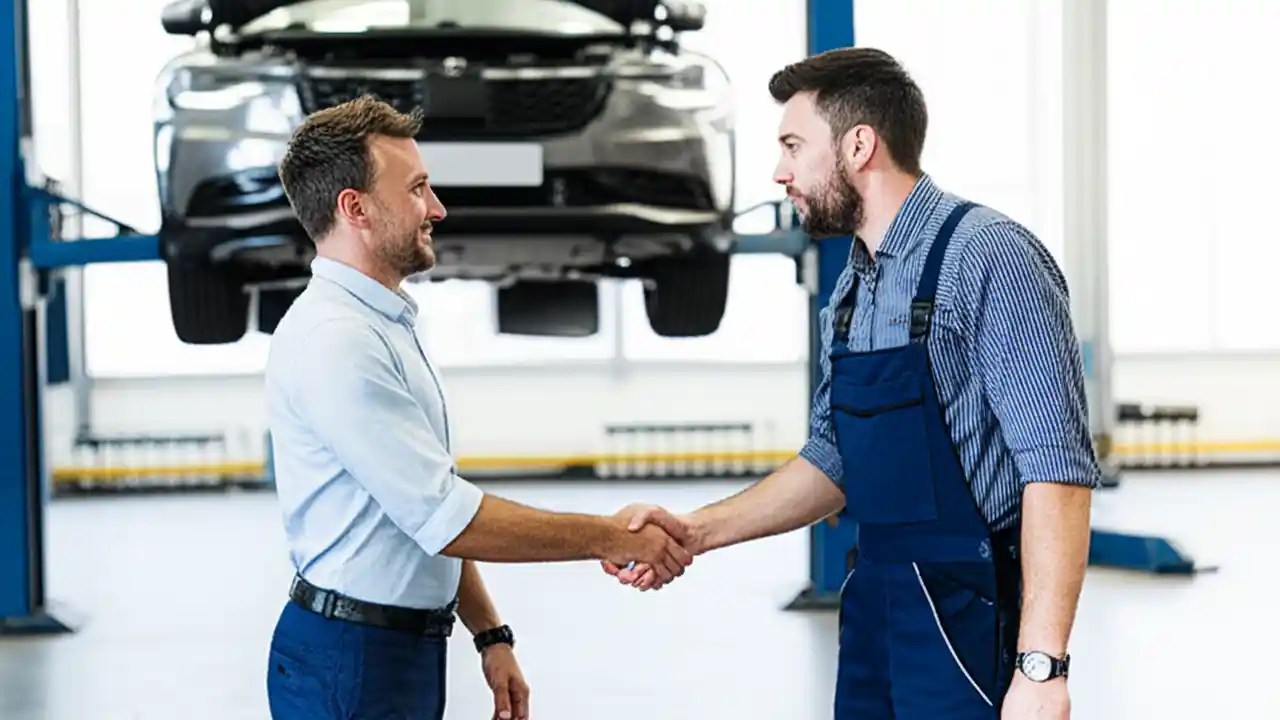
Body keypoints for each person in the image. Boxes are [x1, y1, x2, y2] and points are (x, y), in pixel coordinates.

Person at [605, 47, 1099, 719]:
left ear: (859, 145)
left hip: (972, 611)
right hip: (876, 603)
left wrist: (1042, 669)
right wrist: (694, 530)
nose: (780, 172)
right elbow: (834, 462)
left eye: (792, 145)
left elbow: (1059, 475)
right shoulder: (853, 286)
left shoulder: (988, 256)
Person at [264, 95, 694, 720]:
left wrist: (489, 633)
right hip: (351, 663)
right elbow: (446, 518)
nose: (436, 208)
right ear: (354, 208)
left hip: (394, 650)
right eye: (417, 189)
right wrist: (613, 538)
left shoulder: (380, 324)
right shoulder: (338, 341)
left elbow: (424, 506)